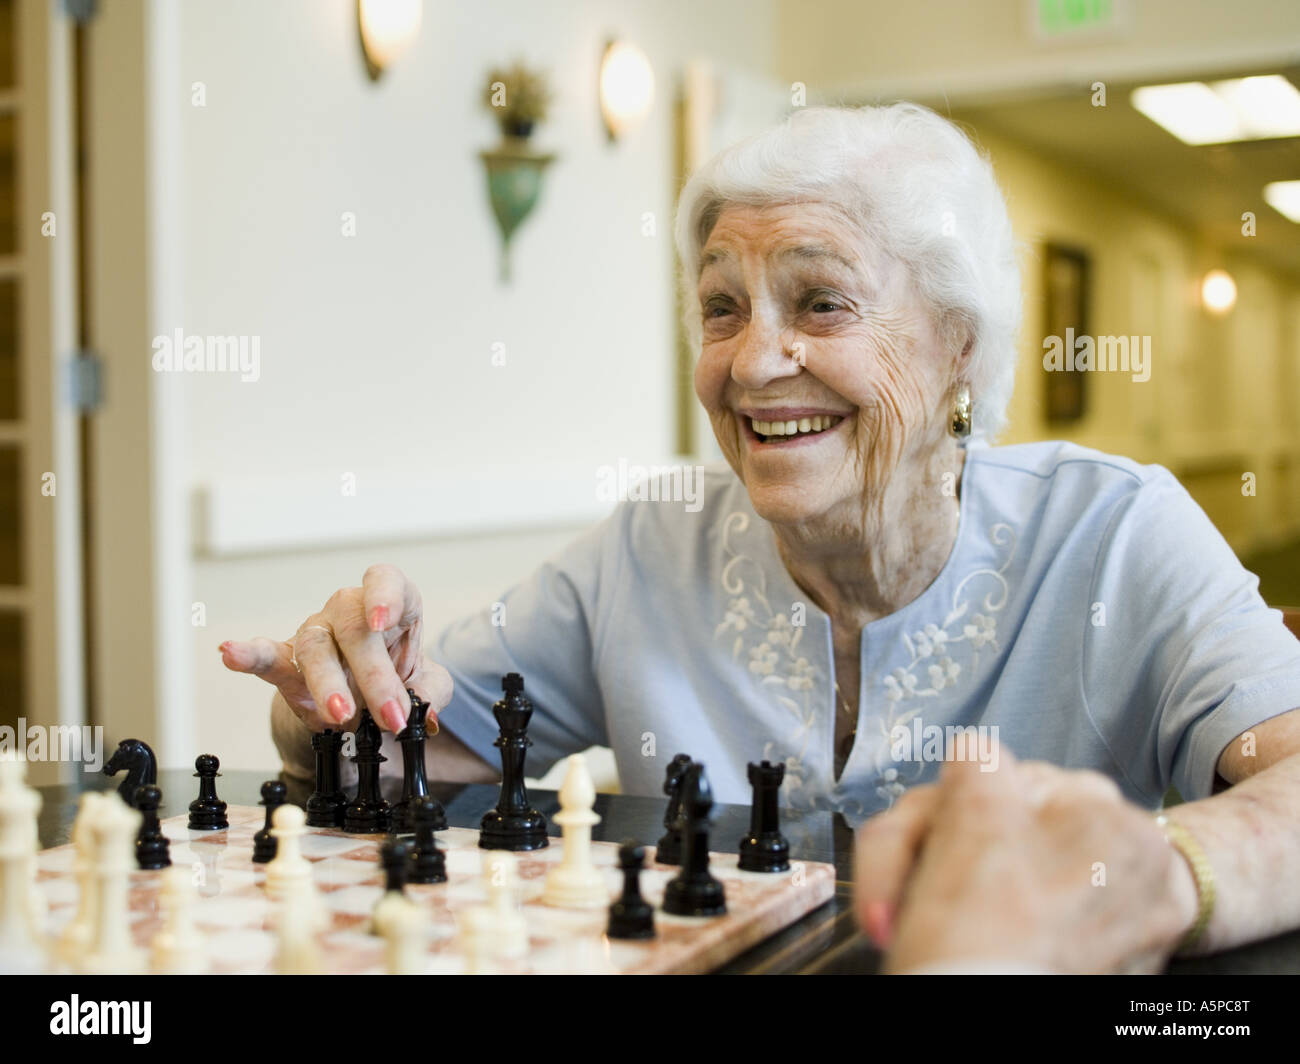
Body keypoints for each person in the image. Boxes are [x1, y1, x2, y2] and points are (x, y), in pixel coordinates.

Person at [221, 103, 1300, 966]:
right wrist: (335, 692)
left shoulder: (1115, 533)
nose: (749, 362)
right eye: (722, 306)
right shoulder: (649, 546)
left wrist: (1159, 875)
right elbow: (417, 741)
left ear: (959, 348)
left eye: (820, 302)